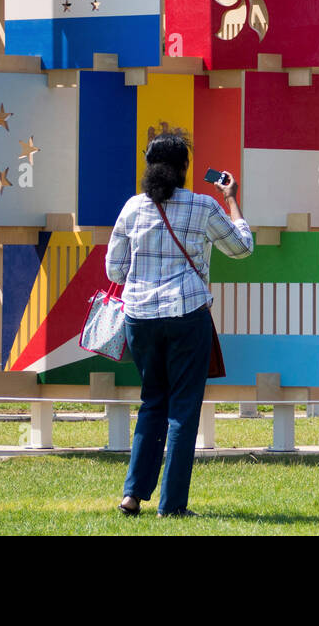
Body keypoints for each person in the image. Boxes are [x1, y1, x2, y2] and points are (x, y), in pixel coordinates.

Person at [107, 130, 254, 517]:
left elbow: (114, 270)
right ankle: (172, 507)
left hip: (139, 319)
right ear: (185, 169)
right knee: (183, 410)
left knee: (151, 402)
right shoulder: (203, 205)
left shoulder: (132, 208)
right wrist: (231, 199)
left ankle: (132, 495)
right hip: (187, 317)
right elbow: (241, 247)